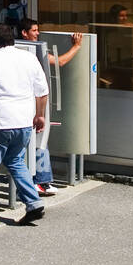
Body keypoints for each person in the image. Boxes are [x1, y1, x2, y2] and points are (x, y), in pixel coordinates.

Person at [0, 23, 47, 224]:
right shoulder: (28, 58)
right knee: (16, 161)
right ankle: (34, 202)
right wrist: (39, 115)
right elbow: (42, 91)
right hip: (24, 121)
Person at [18, 18, 82, 198]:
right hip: (34, 104)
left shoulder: (15, 50)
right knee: (39, 142)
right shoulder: (34, 52)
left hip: (23, 103)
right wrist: (76, 47)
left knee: (32, 143)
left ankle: (37, 181)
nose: (37, 33)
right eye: (34, 30)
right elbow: (60, 62)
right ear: (24, 33)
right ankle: (40, 182)